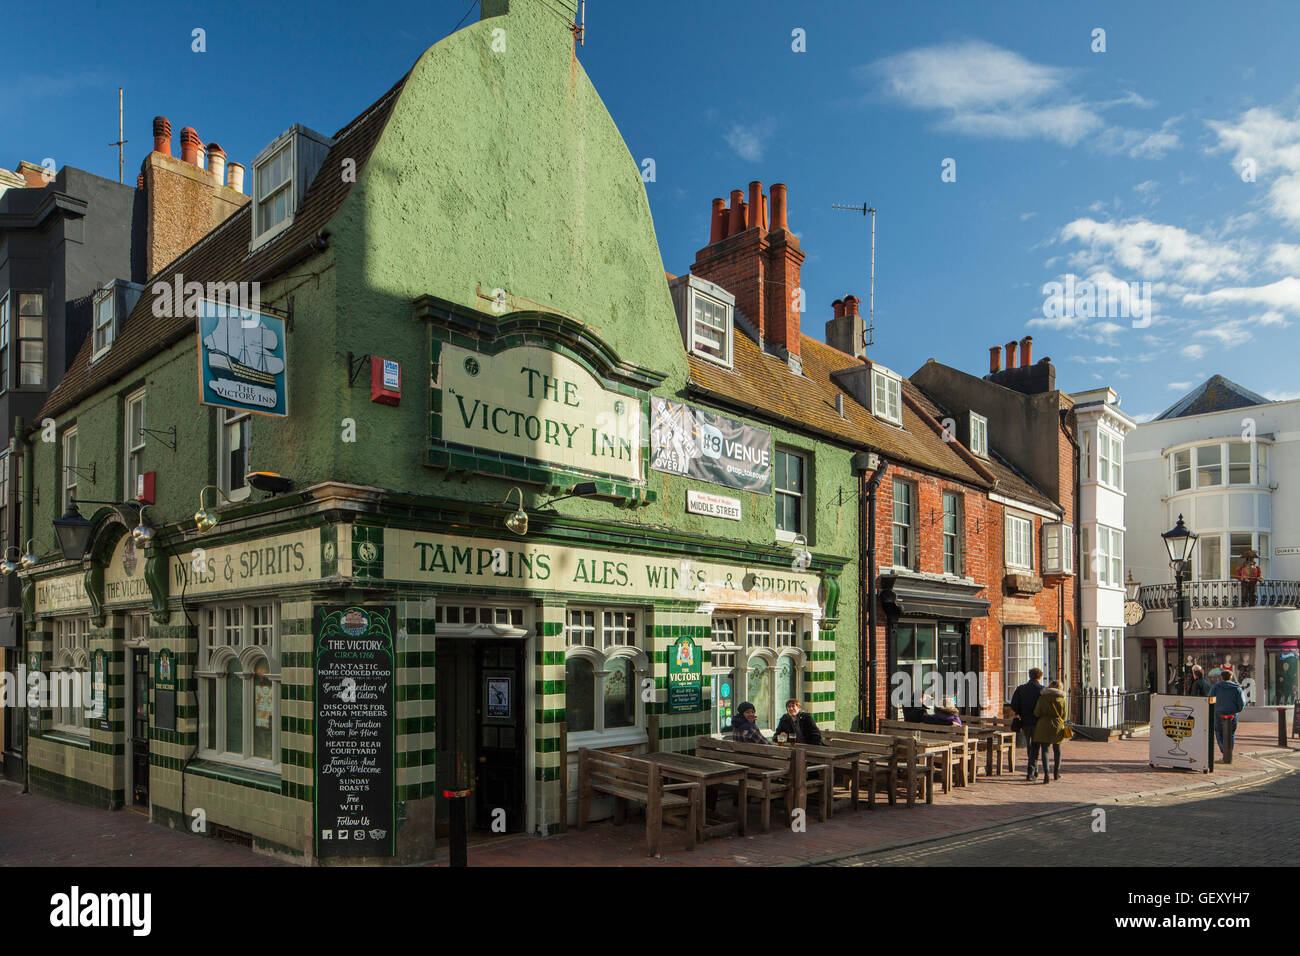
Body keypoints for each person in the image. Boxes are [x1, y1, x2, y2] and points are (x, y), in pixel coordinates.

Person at [1009, 667, 1046, 780]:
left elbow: (1014, 705)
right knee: (1035, 746)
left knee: (1030, 745)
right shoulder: (1042, 690)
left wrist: (1020, 712)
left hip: (1025, 721)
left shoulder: (1021, 689)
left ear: (1029, 676)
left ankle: (1033, 770)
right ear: (1040, 677)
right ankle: (1031, 771)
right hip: (1038, 722)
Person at [1031, 679, 1069, 782]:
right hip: (1057, 726)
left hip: (1043, 725)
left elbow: (1037, 713)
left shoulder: (1042, 698)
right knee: (1057, 750)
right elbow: (1064, 716)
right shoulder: (1062, 700)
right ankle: (1056, 773)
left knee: (1045, 750)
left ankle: (1046, 775)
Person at [1210, 666, 1246, 763]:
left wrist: (1214, 709)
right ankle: (1228, 753)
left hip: (1218, 713)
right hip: (1232, 714)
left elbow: (1210, 698)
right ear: (1231, 677)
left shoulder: (1216, 687)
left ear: (1221, 677)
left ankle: (1224, 752)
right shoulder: (1237, 688)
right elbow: (1242, 703)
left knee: (1218, 732)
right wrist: (1237, 710)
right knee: (1231, 734)